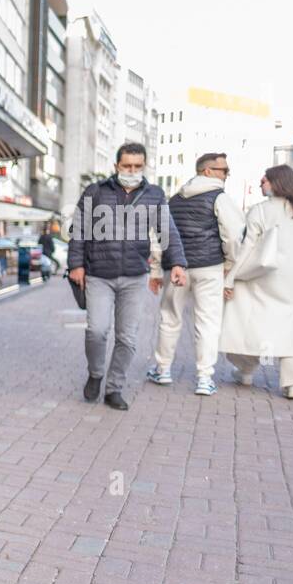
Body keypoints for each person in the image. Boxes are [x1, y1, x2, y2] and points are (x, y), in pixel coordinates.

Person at [67, 142, 187, 410]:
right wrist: (76, 264)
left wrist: (177, 262)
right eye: (127, 166)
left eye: (137, 166)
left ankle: (114, 388)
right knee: (97, 331)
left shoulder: (154, 194)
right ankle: (96, 374)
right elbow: (78, 230)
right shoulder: (96, 191)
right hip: (99, 274)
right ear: (116, 166)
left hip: (134, 277)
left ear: (144, 166)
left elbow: (167, 231)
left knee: (127, 338)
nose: (132, 171)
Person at [146, 152, 245, 396]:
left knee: (170, 318)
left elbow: (159, 237)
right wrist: (230, 263)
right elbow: (232, 236)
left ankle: (163, 369)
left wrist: (156, 270)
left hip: (176, 267)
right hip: (210, 267)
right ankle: (204, 378)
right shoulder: (220, 198)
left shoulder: (174, 200)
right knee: (207, 322)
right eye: (224, 170)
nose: (227, 174)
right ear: (207, 171)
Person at [220, 164, 293, 399]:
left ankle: (245, 367)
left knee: (245, 313)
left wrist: (230, 279)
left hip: (268, 276)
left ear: (277, 183)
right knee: (292, 324)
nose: (260, 183)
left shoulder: (260, 210)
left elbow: (247, 249)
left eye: (264, 180)